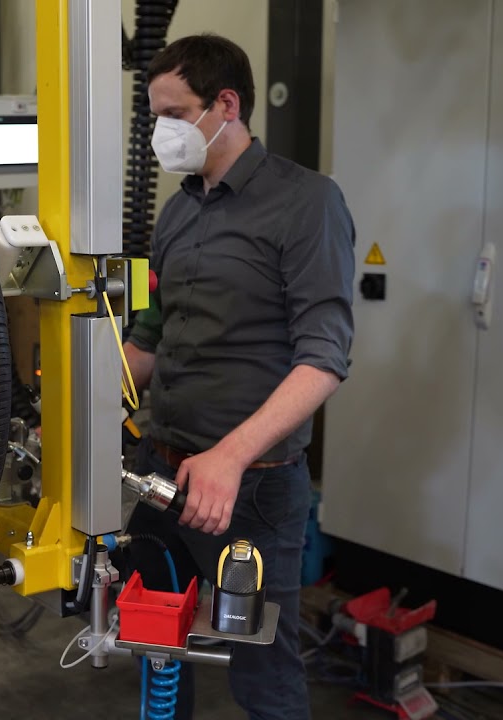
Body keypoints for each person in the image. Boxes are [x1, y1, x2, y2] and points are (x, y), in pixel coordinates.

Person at [121, 33, 355, 719]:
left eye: (172, 114)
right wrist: (81, 398)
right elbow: (149, 338)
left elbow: (325, 358)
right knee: (156, 649)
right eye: (154, 117)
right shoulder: (178, 209)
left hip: (248, 489)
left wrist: (229, 456)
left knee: (262, 670)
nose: (160, 133)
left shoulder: (307, 203)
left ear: (226, 104)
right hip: (161, 474)